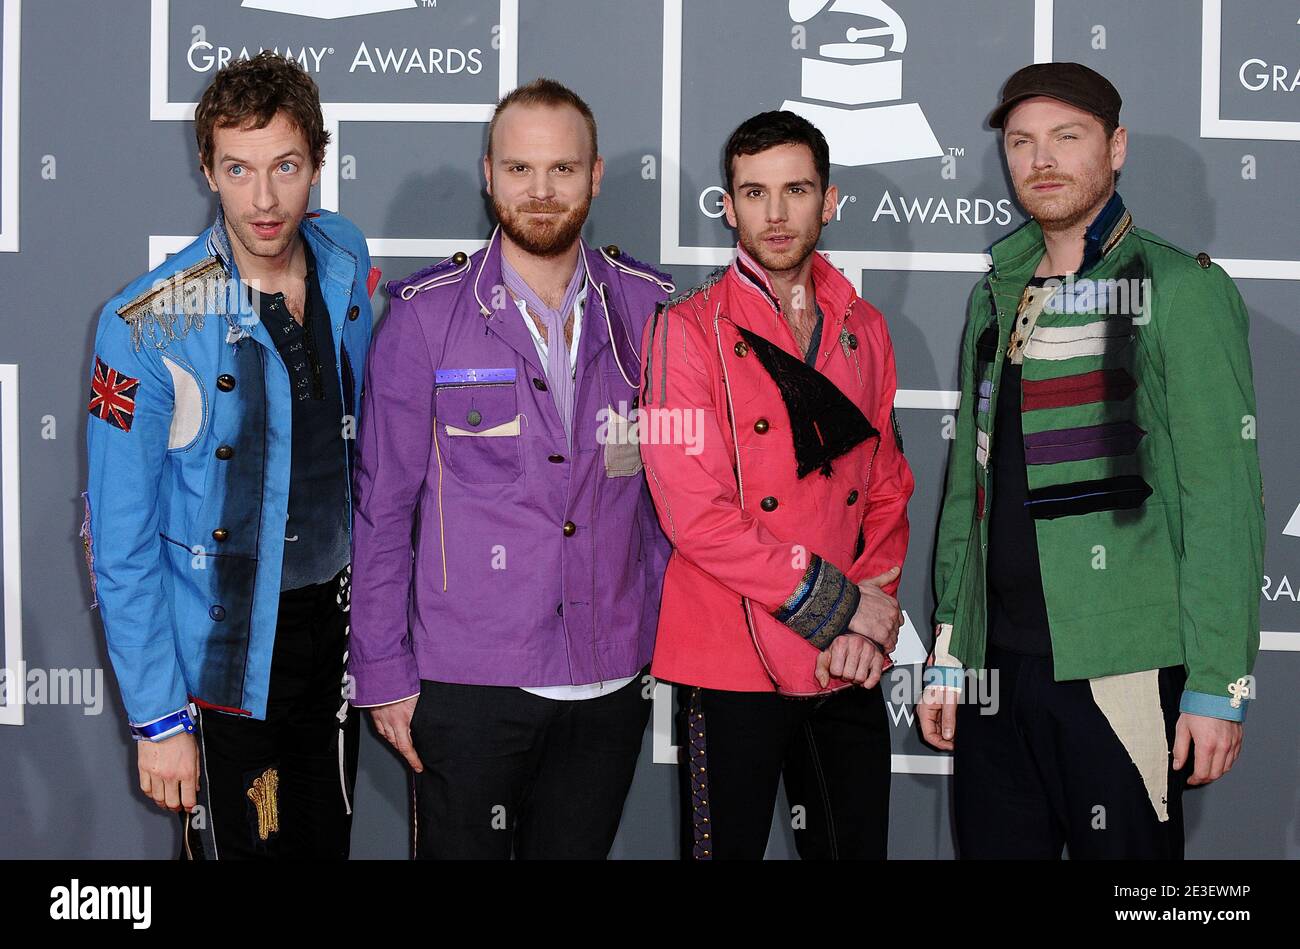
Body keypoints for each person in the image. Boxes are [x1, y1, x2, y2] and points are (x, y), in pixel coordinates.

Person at [919, 62, 1264, 859]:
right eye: (1022, 142)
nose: (1041, 160)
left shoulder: (1181, 289)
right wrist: (949, 654)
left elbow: (1223, 502)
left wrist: (1220, 683)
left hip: (1125, 673)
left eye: (1066, 138)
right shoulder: (995, 293)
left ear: (1115, 147)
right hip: (996, 673)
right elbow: (970, 493)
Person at [349, 78, 673, 859]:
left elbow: (670, 500)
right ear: (488, 173)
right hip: (467, 688)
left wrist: (661, 634)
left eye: (562, 169)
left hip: (609, 681)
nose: (540, 190)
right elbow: (383, 508)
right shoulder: (425, 316)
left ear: (595, 177)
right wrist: (383, 668)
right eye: (520, 168)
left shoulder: (650, 309)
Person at [85, 51, 378, 858]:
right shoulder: (146, 323)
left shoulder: (344, 257)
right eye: (238, 169)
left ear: (317, 160)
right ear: (208, 170)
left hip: (334, 642)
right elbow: (119, 539)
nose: (264, 198)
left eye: (285, 166)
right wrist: (158, 718)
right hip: (224, 659)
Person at [639, 110, 914, 860]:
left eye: (795, 190)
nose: (776, 212)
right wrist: (842, 608)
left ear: (828, 201)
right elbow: (696, 515)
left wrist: (865, 618)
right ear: (728, 208)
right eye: (754, 193)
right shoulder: (683, 331)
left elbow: (887, 486)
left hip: (846, 660)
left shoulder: (869, 328)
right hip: (731, 654)